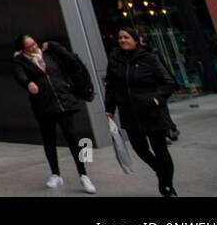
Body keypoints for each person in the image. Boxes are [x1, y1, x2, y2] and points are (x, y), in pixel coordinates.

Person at [12, 34, 96, 193]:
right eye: (29, 46)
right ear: (22, 49)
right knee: (49, 140)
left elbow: (70, 59)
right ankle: (56, 174)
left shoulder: (50, 54)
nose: (33, 47)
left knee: (72, 137)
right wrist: (28, 83)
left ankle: (83, 174)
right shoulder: (20, 62)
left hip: (63, 101)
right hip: (43, 105)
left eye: (34, 43)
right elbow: (20, 76)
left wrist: (52, 44)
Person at [105, 25, 177, 196]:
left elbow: (168, 82)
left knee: (160, 150)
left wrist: (156, 99)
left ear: (135, 40)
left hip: (151, 112)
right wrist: (110, 108)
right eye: (120, 37)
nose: (122, 40)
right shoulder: (115, 58)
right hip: (129, 112)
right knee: (140, 149)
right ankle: (161, 172)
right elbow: (111, 85)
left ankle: (167, 186)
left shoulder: (150, 58)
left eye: (126, 37)